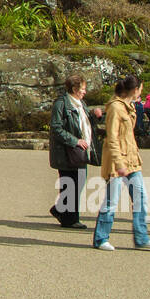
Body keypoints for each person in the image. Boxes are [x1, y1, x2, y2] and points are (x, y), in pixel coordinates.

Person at [92, 76, 150, 251]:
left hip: (132, 160)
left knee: (141, 197)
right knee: (112, 201)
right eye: (141, 88)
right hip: (118, 161)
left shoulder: (129, 106)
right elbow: (112, 138)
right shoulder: (116, 107)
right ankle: (101, 238)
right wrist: (118, 162)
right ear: (135, 89)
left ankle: (141, 237)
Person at [48, 73, 103, 230]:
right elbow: (56, 128)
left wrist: (96, 116)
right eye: (83, 89)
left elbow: (84, 123)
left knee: (77, 182)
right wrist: (74, 140)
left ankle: (61, 211)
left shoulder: (80, 103)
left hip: (80, 151)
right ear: (74, 88)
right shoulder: (61, 104)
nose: (85, 92)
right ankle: (70, 219)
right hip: (67, 151)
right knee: (70, 183)